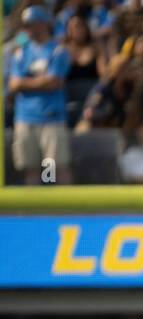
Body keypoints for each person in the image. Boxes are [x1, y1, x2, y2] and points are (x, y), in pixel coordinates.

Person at [8, 6, 72, 185]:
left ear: (42, 24)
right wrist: (40, 82)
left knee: (54, 168)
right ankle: (33, 212)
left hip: (51, 118)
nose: (27, 29)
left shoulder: (57, 51)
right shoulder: (21, 52)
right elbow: (13, 84)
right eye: (26, 25)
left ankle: (63, 211)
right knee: (31, 169)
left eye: (30, 24)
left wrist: (25, 83)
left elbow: (54, 82)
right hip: (25, 117)